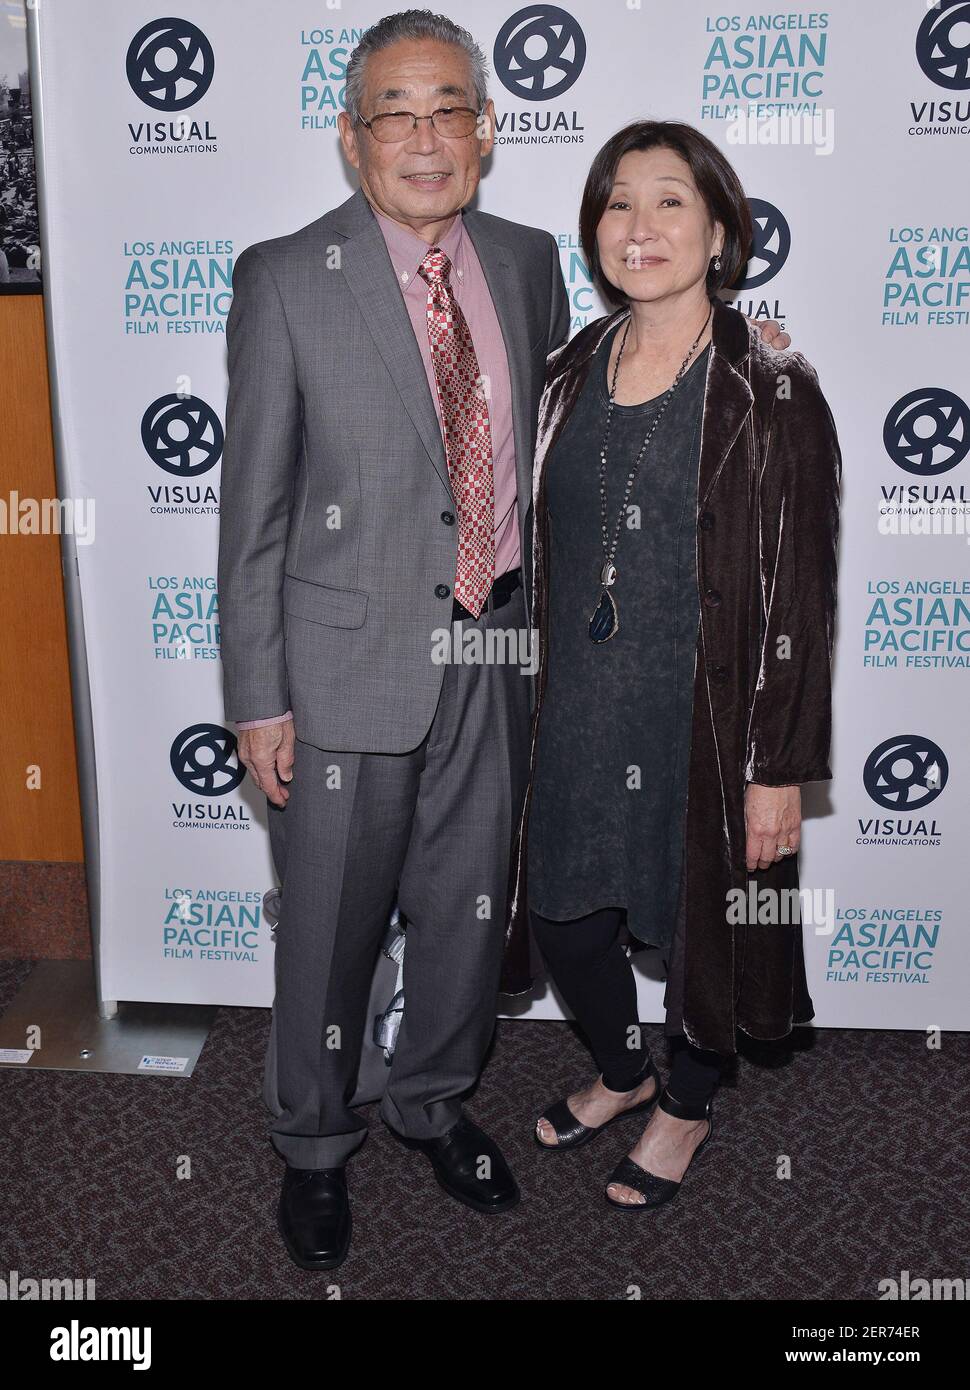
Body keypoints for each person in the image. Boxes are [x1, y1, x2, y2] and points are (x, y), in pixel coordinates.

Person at [218, 11, 791, 1273]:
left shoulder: (533, 259)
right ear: (351, 134)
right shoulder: (280, 275)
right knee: (328, 931)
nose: (424, 139)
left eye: (448, 111)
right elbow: (250, 510)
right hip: (341, 671)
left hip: (503, 659)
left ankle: (429, 1101)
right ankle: (314, 1145)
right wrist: (258, 694)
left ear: (487, 129)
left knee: (469, 921)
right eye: (394, 112)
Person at [504, 120, 841, 1209]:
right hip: (579, 706)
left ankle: (685, 1104)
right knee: (559, 912)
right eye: (615, 202)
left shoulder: (770, 382)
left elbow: (803, 587)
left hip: (701, 716)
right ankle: (619, 1070)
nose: (637, 226)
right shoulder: (563, 375)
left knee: (706, 930)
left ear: (719, 231)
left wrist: (778, 764)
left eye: (667, 202)